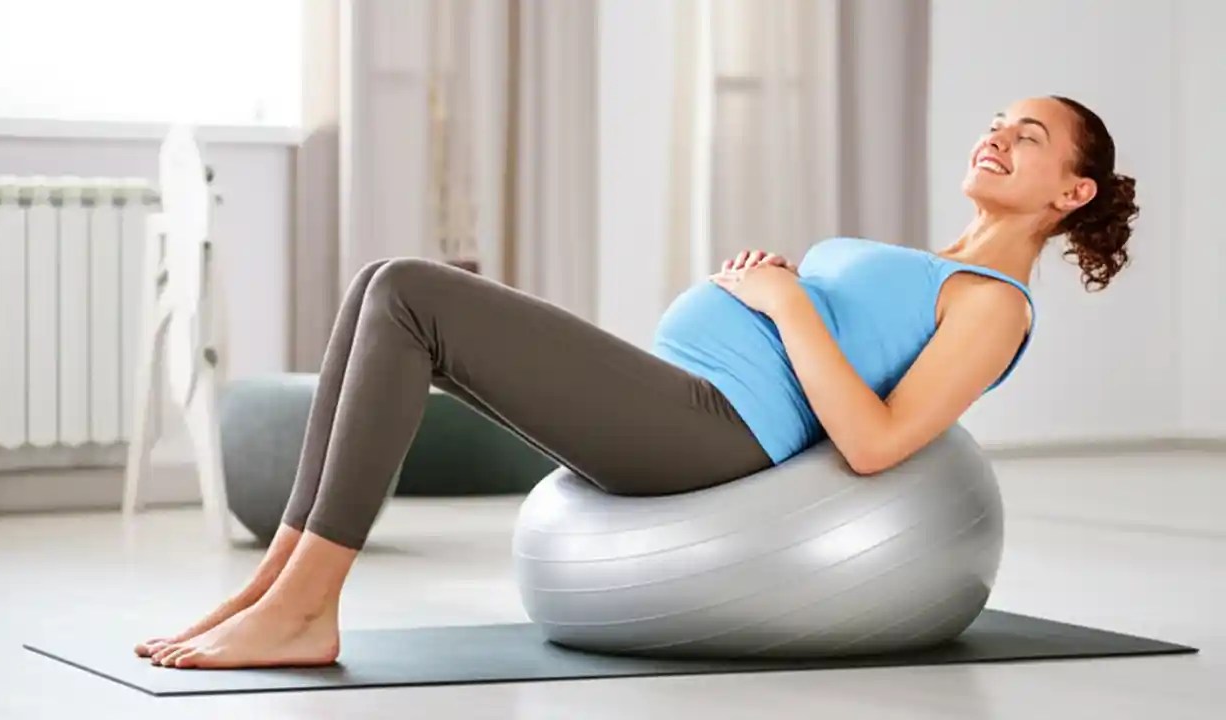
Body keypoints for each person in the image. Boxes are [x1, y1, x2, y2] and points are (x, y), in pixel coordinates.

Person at [135, 95, 1138, 669]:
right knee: (375, 288)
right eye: (997, 121)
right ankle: (275, 587)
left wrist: (788, 304)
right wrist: (788, 294)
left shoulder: (995, 302)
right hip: (680, 397)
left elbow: (876, 443)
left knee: (409, 292)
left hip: (713, 434)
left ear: (1071, 191)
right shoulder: (935, 264)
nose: (996, 136)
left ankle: (307, 609)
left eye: (1028, 137)